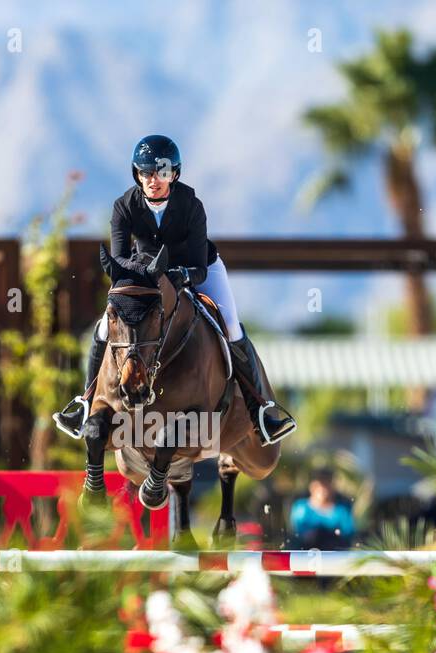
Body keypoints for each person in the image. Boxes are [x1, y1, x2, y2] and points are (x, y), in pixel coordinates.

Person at [53, 134, 296, 445]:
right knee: (103, 329)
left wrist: (176, 277)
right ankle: (84, 404)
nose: (153, 180)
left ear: (174, 174)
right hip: (145, 278)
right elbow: (121, 262)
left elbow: (198, 267)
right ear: (137, 174)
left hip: (197, 270)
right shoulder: (124, 206)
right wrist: (144, 282)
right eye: (145, 173)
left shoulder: (191, 205)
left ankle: (262, 412)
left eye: (161, 173)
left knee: (232, 327)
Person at [289, 469, 356, 550]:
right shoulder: (301, 507)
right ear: (312, 486)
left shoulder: (342, 508)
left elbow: (348, 533)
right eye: (320, 484)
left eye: (327, 483)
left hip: (336, 553)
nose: (323, 488)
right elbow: (299, 532)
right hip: (306, 553)